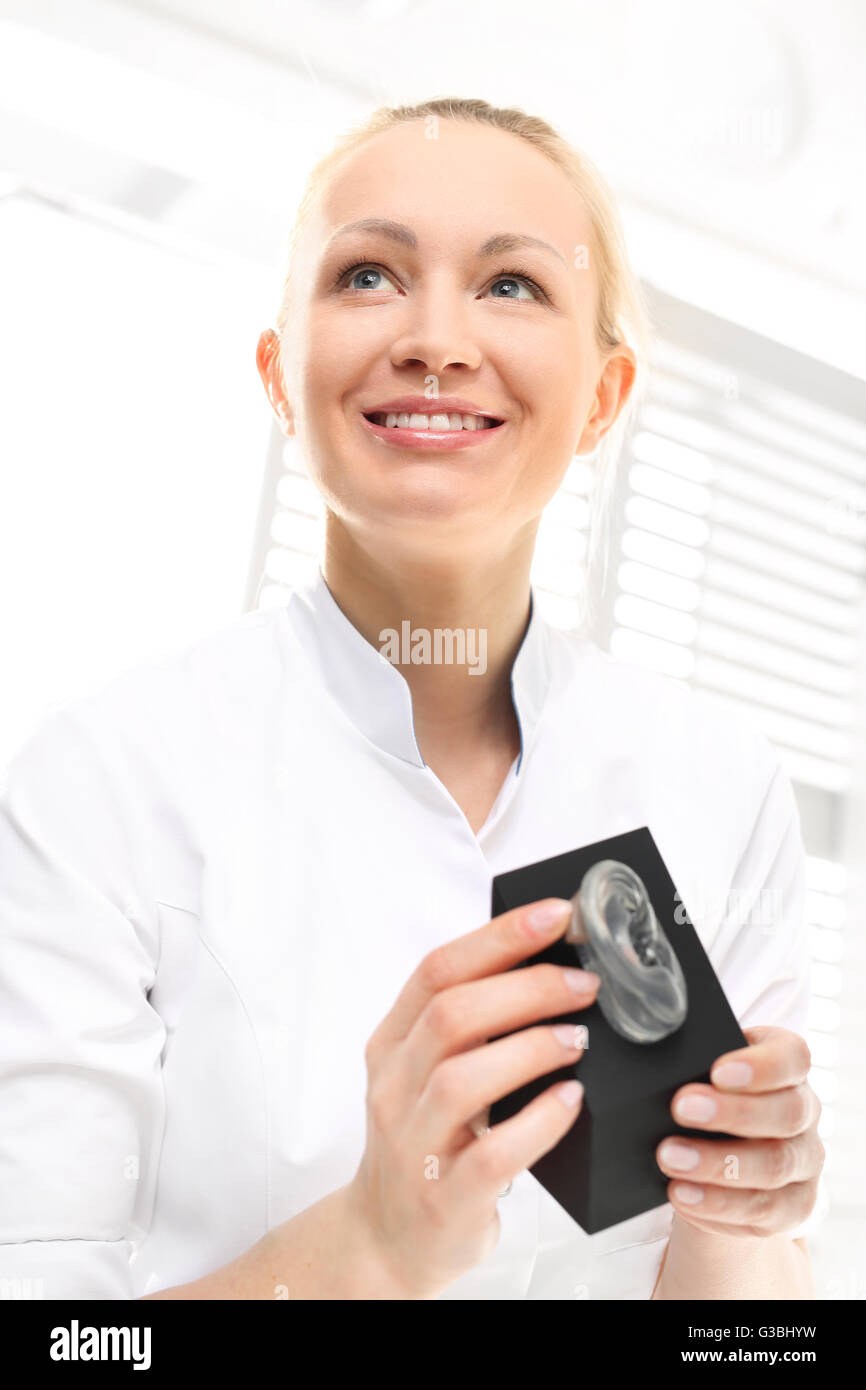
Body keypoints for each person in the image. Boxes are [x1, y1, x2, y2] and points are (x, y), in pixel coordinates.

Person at [0, 98, 824, 1301]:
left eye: (511, 287)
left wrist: (741, 1228)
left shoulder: (721, 790)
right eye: (369, 273)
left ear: (601, 399)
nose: (436, 339)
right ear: (282, 376)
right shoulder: (101, 784)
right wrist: (364, 1247)